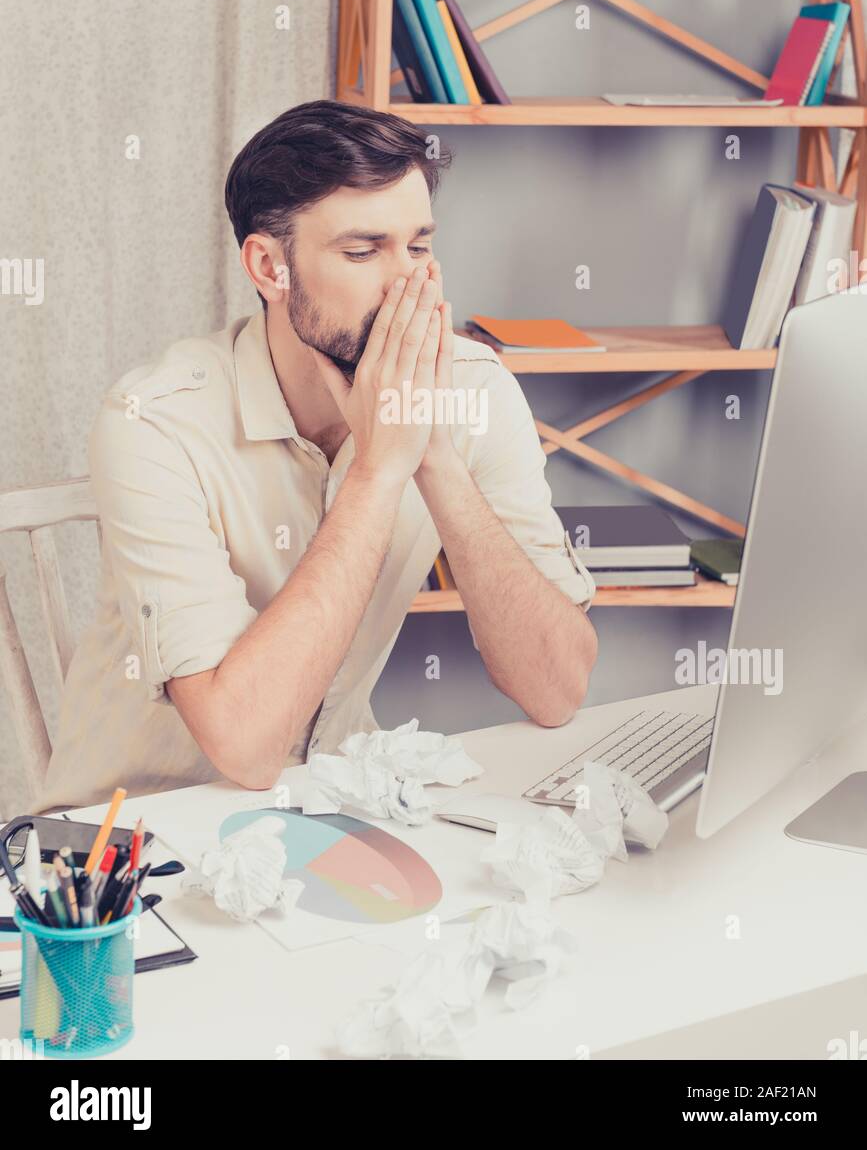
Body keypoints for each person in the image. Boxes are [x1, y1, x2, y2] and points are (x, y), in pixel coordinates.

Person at [35, 100, 597, 812]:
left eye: (418, 247)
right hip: (126, 838)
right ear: (270, 267)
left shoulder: (473, 388)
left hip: (325, 805)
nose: (408, 284)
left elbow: (555, 693)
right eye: (362, 252)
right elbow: (245, 748)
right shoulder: (154, 422)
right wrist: (376, 470)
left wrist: (432, 454)